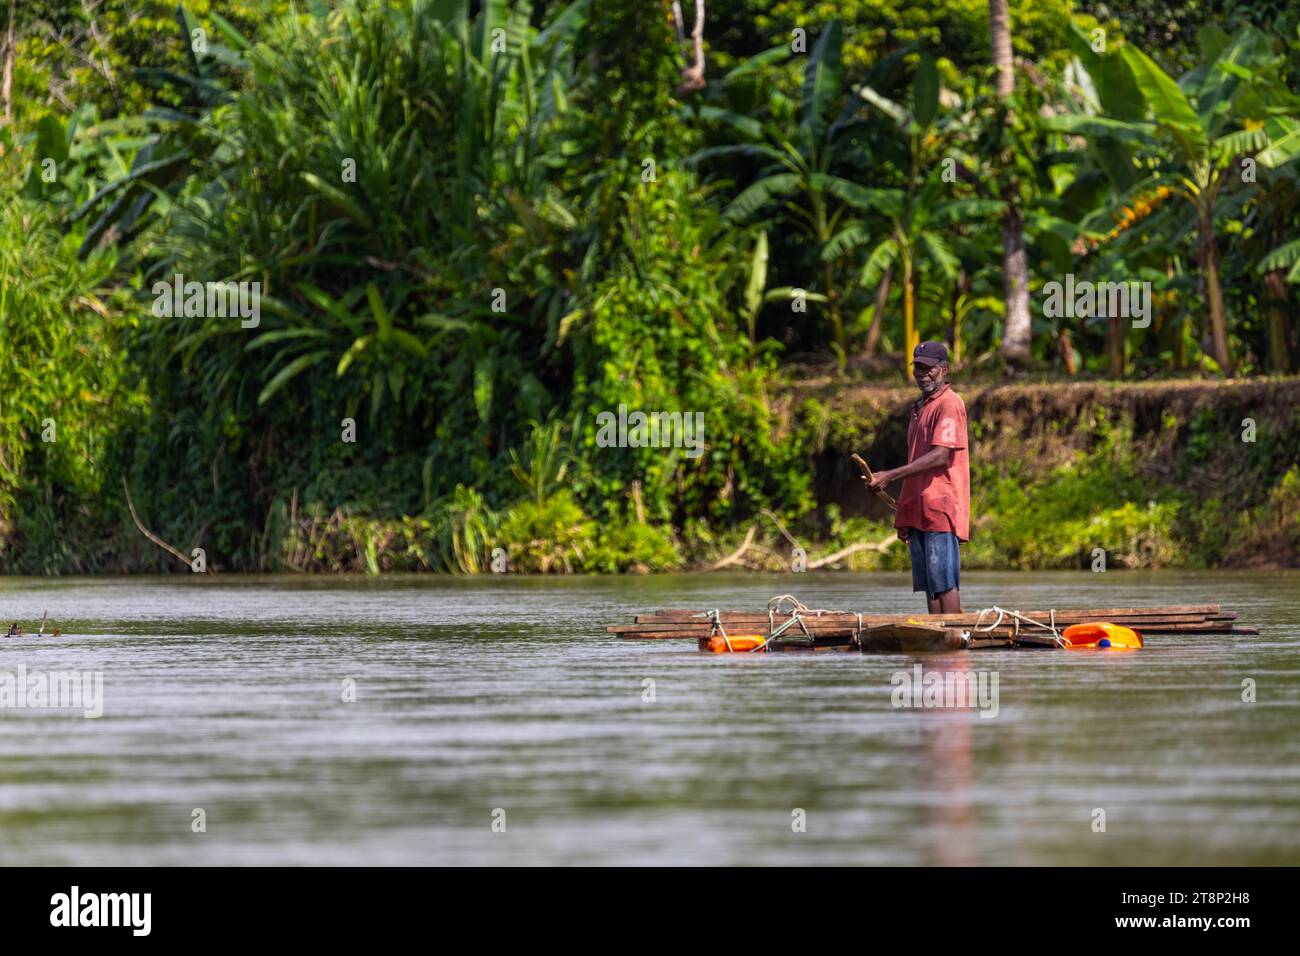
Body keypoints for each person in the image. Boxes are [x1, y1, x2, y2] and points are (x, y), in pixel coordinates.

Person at [865, 341, 970, 613]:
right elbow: (917, 459)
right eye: (918, 368)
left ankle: (954, 641)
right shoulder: (919, 408)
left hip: (940, 507)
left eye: (929, 368)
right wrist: (906, 509)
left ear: (944, 370)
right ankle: (936, 647)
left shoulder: (949, 404)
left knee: (944, 584)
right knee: (929, 586)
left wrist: (890, 475)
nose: (922, 374)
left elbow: (940, 456)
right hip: (919, 508)